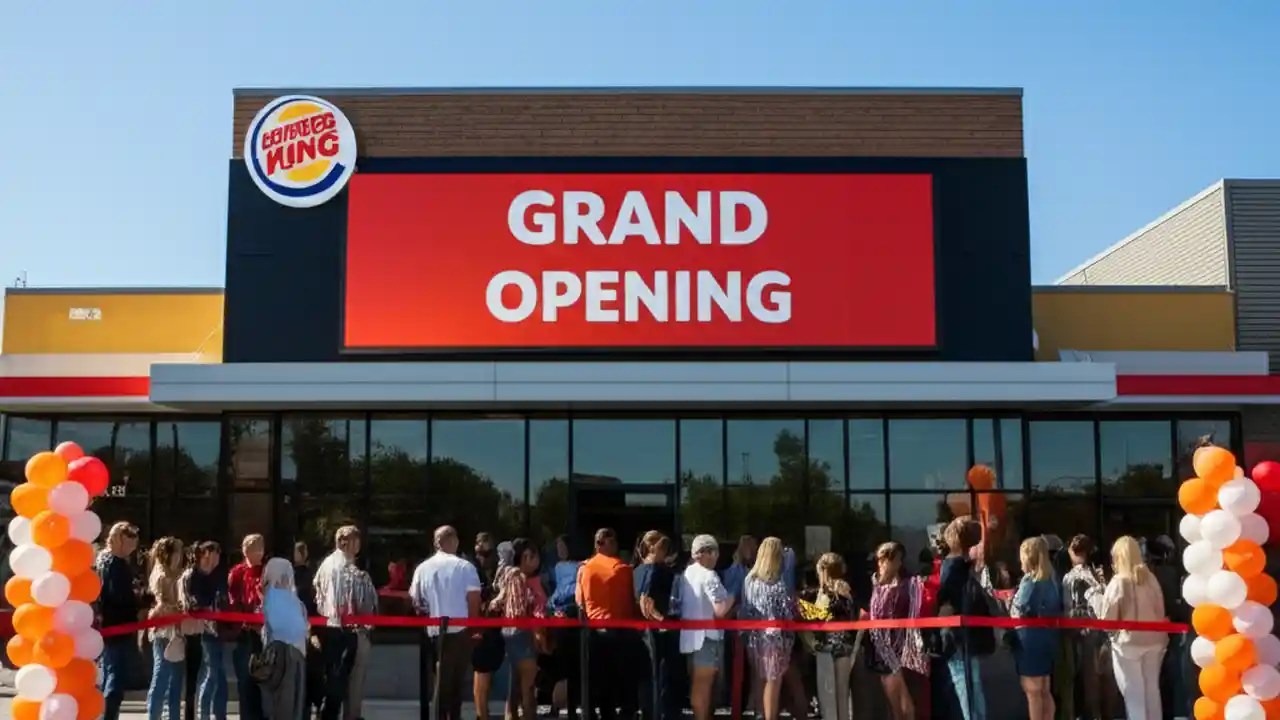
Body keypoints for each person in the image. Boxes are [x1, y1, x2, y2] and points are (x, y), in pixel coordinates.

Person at [1089, 536, 1168, 720]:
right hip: (1155, 641)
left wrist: (1094, 597)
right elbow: (1161, 610)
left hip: (1128, 644)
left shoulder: (1118, 582)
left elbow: (1108, 619)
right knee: (1152, 691)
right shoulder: (1151, 579)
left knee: (1134, 695)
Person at [409, 525, 484, 720]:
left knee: (441, 681)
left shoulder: (422, 568)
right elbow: (473, 599)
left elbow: (416, 602)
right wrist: (475, 629)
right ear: (455, 541)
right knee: (453, 684)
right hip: (459, 632)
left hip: (433, 631)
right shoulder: (464, 567)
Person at [313, 525, 378, 720]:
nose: (358, 544)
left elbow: (318, 597)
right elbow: (360, 604)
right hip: (347, 630)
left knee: (334, 680)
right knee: (350, 683)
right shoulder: (347, 569)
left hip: (330, 629)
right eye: (355, 539)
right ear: (344, 542)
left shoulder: (325, 565)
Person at [576, 528, 638, 720]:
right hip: (621, 631)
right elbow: (632, 602)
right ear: (608, 543)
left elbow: (580, 603)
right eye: (614, 542)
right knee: (622, 679)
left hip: (594, 631)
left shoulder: (584, 569)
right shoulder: (624, 569)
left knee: (598, 681)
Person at [936, 517, 990, 720]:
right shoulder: (955, 568)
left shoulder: (956, 566)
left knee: (969, 687)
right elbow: (948, 604)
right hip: (960, 638)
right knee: (968, 687)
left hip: (961, 636)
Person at [680, 534, 733, 720]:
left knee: (699, 686)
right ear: (707, 553)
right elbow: (720, 610)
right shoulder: (709, 575)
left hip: (690, 639)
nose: (717, 557)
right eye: (715, 552)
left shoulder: (687, 573)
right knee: (703, 687)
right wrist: (734, 597)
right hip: (707, 638)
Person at [1060, 535, 1114, 720]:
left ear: (1074, 552)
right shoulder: (1099, 574)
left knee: (1087, 677)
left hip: (1081, 631)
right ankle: (1107, 714)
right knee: (1104, 677)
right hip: (1103, 630)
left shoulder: (1070, 578)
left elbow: (1068, 607)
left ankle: (1092, 715)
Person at [741, 536, 794, 720]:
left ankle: (759, 714)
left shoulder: (749, 579)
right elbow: (784, 612)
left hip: (754, 637)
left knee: (759, 679)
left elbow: (745, 609)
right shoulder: (776, 583)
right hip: (774, 638)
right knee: (773, 681)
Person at [492, 537, 546, 720]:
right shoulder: (517, 577)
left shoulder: (508, 575)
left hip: (511, 632)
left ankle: (513, 714)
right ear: (523, 558)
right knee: (528, 685)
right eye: (532, 556)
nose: (535, 561)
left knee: (515, 684)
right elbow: (517, 612)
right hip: (520, 633)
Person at [1011, 537, 1061, 720]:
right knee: (1044, 689)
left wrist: (1009, 600)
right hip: (1048, 639)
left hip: (1029, 642)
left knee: (1032, 692)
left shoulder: (1030, 582)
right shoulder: (1052, 580)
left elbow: (1019, 609)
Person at [635, 531, 681, 720]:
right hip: (659, 631)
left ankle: (649, 712)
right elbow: (646, 601)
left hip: (643, 631)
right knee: (661, 675)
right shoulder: (655, 569)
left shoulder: (637, 570)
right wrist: (662, 620)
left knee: (648, 675)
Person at [866, 542, 914, 720]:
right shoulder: (873, 584)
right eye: (895, 560)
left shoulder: (904, 585)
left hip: (899, 648)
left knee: (902, 701)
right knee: (893, 701)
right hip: (881, 649)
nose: (898, 564)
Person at [181, 541, 228, 720]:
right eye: (212, 553)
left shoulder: (215, 576)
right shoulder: (192, 575)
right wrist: (207, 608)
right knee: (207, 675)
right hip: (200, 630)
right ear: (204, 554)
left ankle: (210, 714)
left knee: (214, 675)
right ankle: (200, 713)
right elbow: (193, 602)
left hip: (215, 629)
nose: (215, 558)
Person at [98, 522, 140, 720]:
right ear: (121, 540)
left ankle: (108, 715)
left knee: (110, 672)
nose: (134, 545)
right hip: (119, 624)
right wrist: (138, 601)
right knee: (116, 677)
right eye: (131, 540)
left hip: (109, 624)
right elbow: (119, 596)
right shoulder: (116, 564)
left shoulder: (104, 559)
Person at [261, 557, 309, 720]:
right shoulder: (291, 600)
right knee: (290, 704)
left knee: (280, 705)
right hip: (291, 656)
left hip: (280, 657)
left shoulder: (271, 598)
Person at [809, 553, 855, 720]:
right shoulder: (845, 589)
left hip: (826, 647)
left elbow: (819, 615)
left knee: (827, 696)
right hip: (843, 646)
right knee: (842, 696)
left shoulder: (827, 592)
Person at [146, 537, 187, 720]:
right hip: (163, 630)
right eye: (177, 552)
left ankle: (174, 716)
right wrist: (179, 608)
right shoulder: (161, 575)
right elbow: (164, 604)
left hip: (177, 631)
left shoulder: (178, 573)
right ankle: (153, 715)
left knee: (176, 680)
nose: (180, 556)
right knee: (161, 675)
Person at [227, 534, 267, 720]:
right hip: (245, 632)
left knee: (263, 680)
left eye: (260, 546)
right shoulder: (237, 573)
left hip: (265, 633)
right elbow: (233, 601)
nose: (258, 551)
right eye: (252, 547)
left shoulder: (266, 572)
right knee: (245, 680)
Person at [471, 534, 505, 720]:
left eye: (487, 552)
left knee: (488, 672)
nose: (482, 556)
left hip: (496, 625)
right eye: (479, 552)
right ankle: (481, 715)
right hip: (480, 625)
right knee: (482, 671)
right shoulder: (472, 569)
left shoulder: (498, 569)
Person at [547, 535, 580, 615]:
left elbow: (576, 585)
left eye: (562, 547)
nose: (560, 551)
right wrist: (553, 599)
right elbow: (559, 586)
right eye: (558, 548)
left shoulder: (578, 565)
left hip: (572, 599)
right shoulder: (558, 566)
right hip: (560, 599)